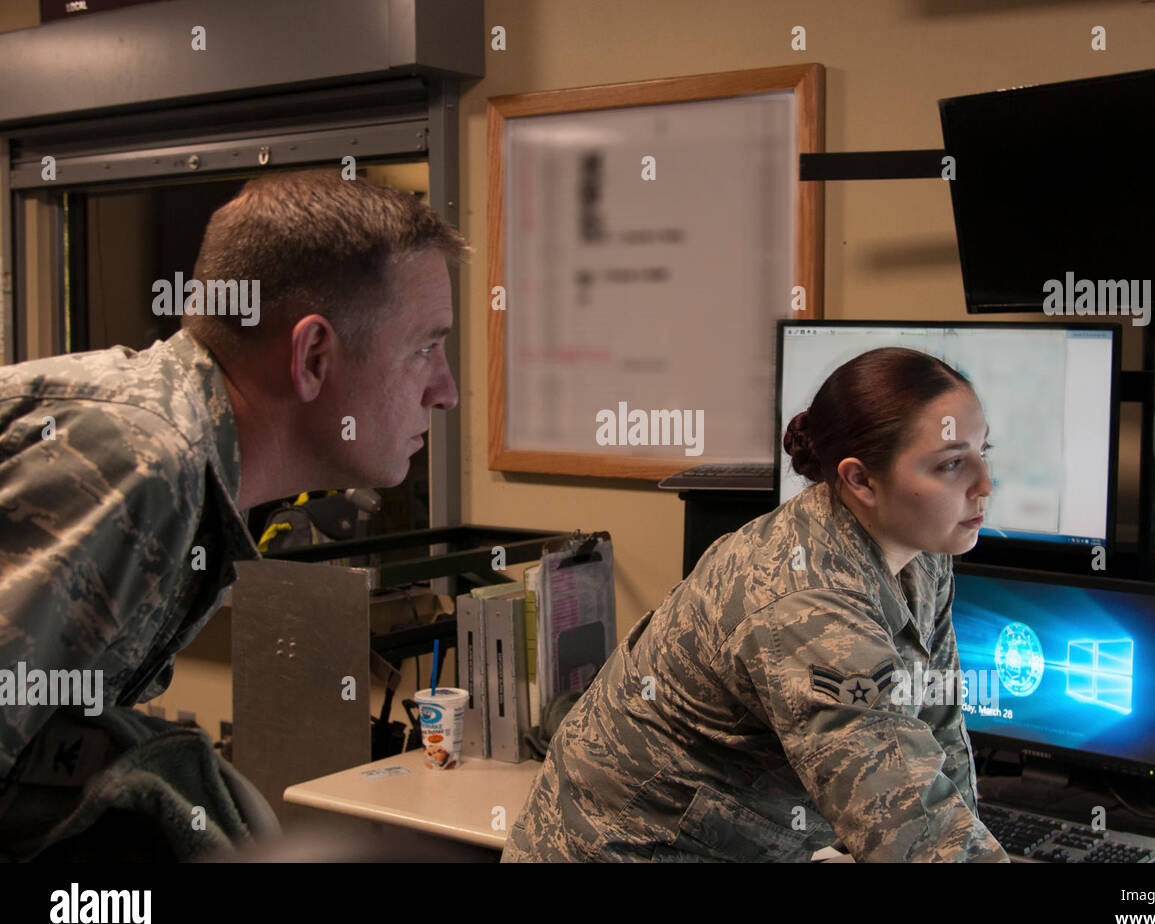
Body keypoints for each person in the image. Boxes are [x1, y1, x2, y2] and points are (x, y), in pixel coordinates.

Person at [0, 169, 468, 858]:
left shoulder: (200, 477)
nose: (447, 389)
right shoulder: (149, 461)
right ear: (312, 355)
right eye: (425, 348)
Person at [503, 346, 1008, 862]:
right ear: (861, 480)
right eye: (950, 464)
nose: (985, 485)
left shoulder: (918, 551)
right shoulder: (807, 604)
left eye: (982, 452)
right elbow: (909, 826)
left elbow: (937, 730)